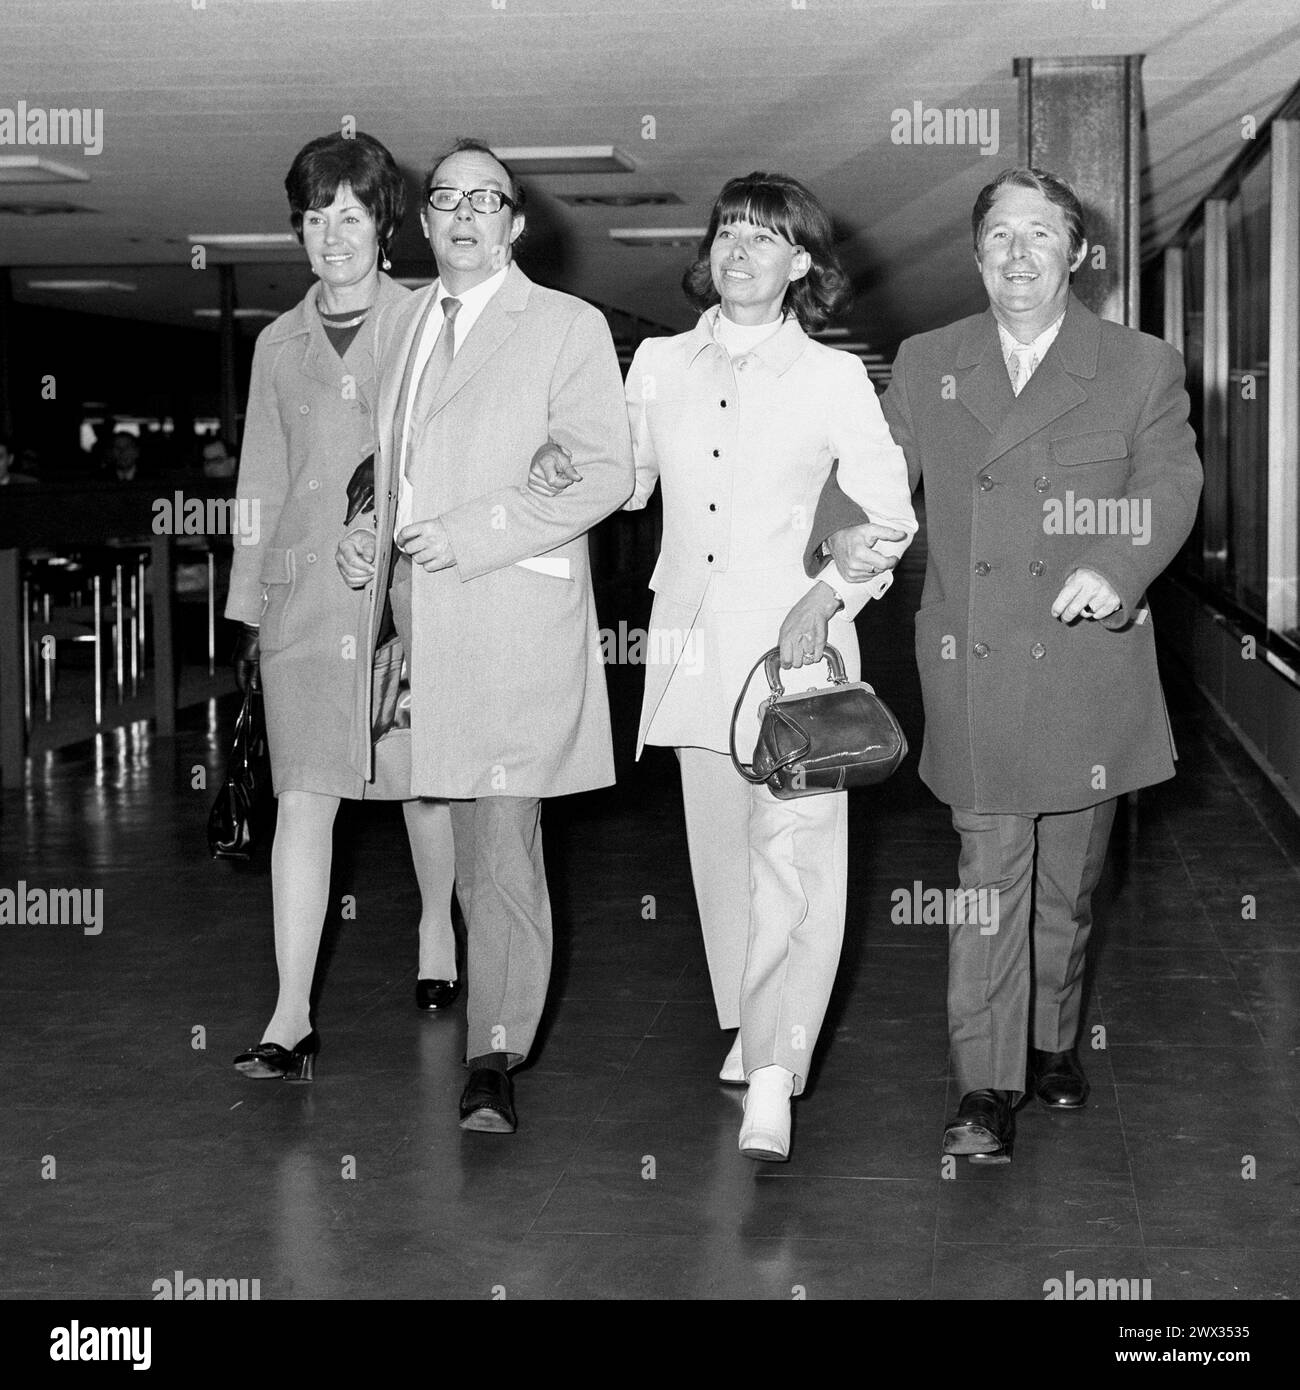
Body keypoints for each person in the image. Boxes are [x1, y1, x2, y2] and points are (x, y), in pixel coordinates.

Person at [805, 167, 1203, 1162]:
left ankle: (1051, 1035)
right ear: (976, 255)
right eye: (999, 236)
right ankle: (985, 1085)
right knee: (989, 878)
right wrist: (843, 534)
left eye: (1041, 234)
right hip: (974, 664)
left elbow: (1168, 481)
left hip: (1084, 665)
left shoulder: (1138, 365)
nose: (1018, 253)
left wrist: (1116, 562)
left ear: (1076, 252)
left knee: (1067, 886)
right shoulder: (929, 359)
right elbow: (870, 472)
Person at [533, 171, 917, 1162]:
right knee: (722, 864)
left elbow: (886, 517)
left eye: (765, 235)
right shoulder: (658, 360)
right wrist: (557, 465)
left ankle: (777, 1073)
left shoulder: (832, 377)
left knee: (798, 862)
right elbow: (623, 478)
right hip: (692, 647)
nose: (742, 249)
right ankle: (750, 1027)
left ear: (800, 265)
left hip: (798, 649)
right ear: (708, 256)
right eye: (729, 231)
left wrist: (827, 594)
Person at [336, 139, 634, 1134]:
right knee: (456, 830)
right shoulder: (401, 322)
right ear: (421, 223)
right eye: (446, 199)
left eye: (487, 199)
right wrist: (362, 540)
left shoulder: (565, 325)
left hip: (508, 608)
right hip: (418, 615)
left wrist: (468, 534)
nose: (465, 214)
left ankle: (493, 1052)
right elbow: (389, 465)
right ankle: (484, 1019)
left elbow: (599, 473)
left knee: (503, 839)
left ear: (515, 223)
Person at [226, 130, 460, 1083]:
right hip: (302, 605)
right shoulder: (277, 344)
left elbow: (447, 458)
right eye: (315, 216)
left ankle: (437, 932)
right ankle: (290, 1014)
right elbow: (259, 481)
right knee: (303, 800)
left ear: (384, 226)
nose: (332, 234)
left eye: (351, 216)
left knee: (421, 788)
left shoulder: (427, 322)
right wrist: (249, 611)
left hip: (405, 601)